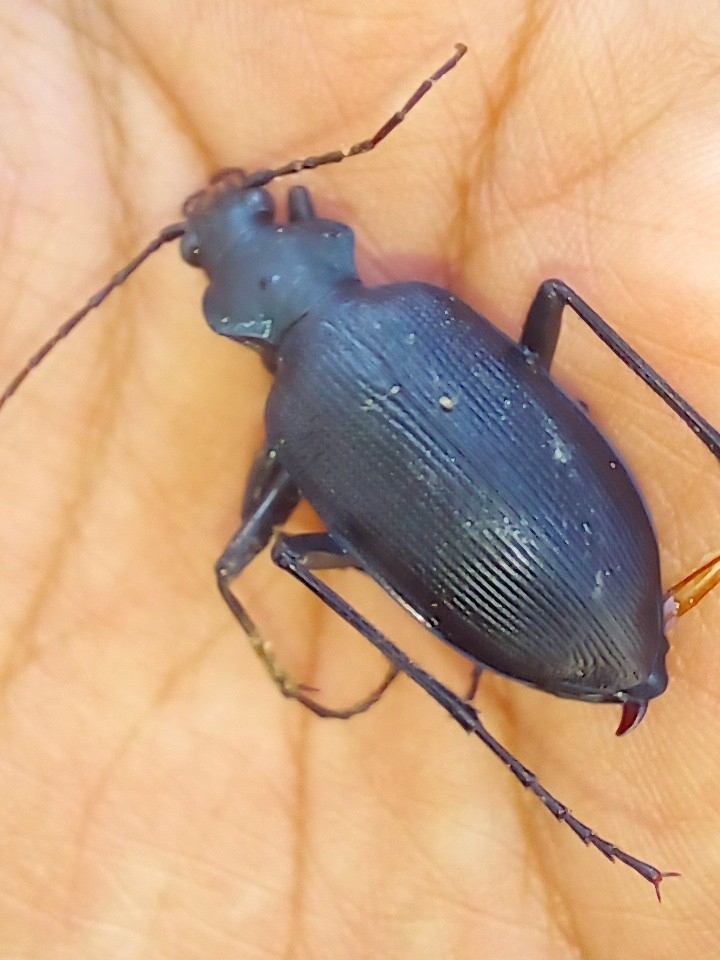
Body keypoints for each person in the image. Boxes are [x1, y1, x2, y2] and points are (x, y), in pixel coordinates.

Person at [1, 3, 718, 956]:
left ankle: (502, 752)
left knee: (256, 562)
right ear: (298, 230)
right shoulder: (404, 307)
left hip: (564, 581)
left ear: (222, 301)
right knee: (560, 300)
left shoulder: (292, 424)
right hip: (586, 544)